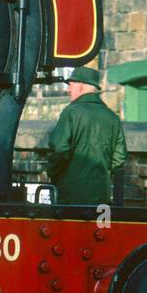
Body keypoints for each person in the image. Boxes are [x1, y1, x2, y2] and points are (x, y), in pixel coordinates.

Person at [47, 66, 127, 205]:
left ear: (80, 87)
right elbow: (119, 157)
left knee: (71, 227)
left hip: (70, 196)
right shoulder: (112, 117)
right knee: (102, 226)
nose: (68, 90)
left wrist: (52, 172)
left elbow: (60, 149)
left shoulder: (71, 112)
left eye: (70, 85)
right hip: (102, 196)